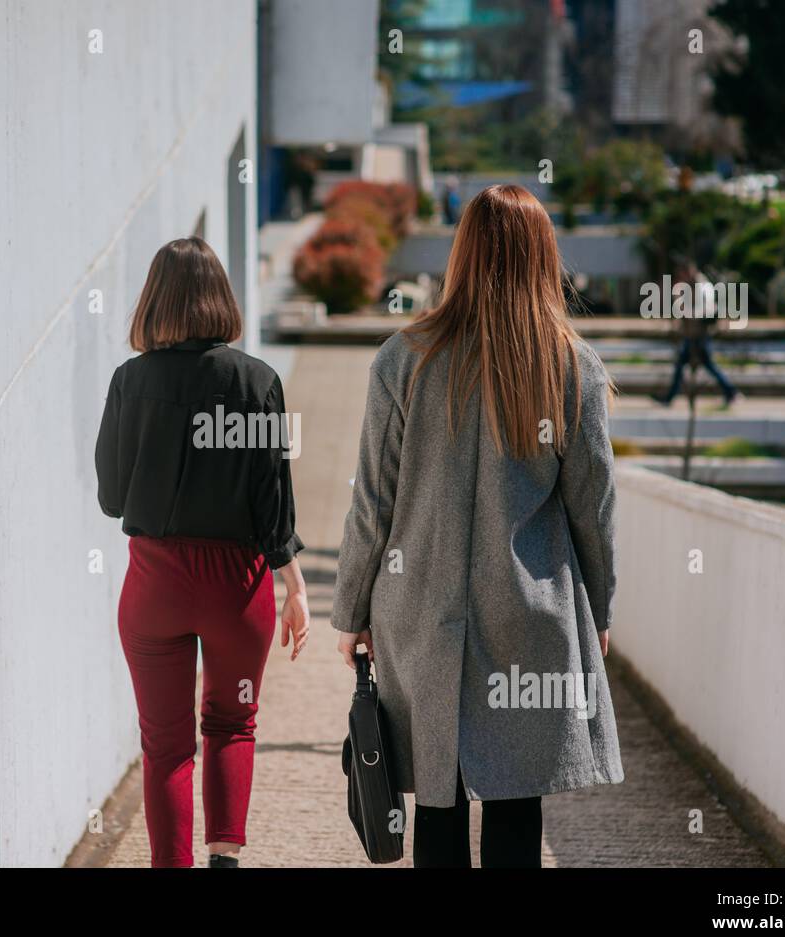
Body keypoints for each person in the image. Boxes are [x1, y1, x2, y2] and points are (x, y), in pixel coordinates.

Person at [330, 185, 624, 868]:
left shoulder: (404, 358)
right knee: (518, 802)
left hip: (419, 612)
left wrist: (350, 610)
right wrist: (600, 609)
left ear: (462, 254)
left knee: (438, 794)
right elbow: (593, 508)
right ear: (542, 258)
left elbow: (372, 501)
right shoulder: (571, 366)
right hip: (528, 613)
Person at [94, 237, 310, 868]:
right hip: (235, 589)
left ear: (154, 300)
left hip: (155, 583)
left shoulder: (129, 382)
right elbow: (274, 508)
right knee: (231, 725)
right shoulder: (258, 380)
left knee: (165, 746)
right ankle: (224, 858)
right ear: (220, 297)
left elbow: (111, 498)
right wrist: (295, 585)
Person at [653, 260, 739, 409]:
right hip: (692, 335)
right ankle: (730, 392)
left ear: (688, 272)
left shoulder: (700, 287)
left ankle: (730, 392)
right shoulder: (693, 286)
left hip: (698, 336)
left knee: (694, 366)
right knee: (693, 366)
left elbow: (698, 310)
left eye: (682, 273)